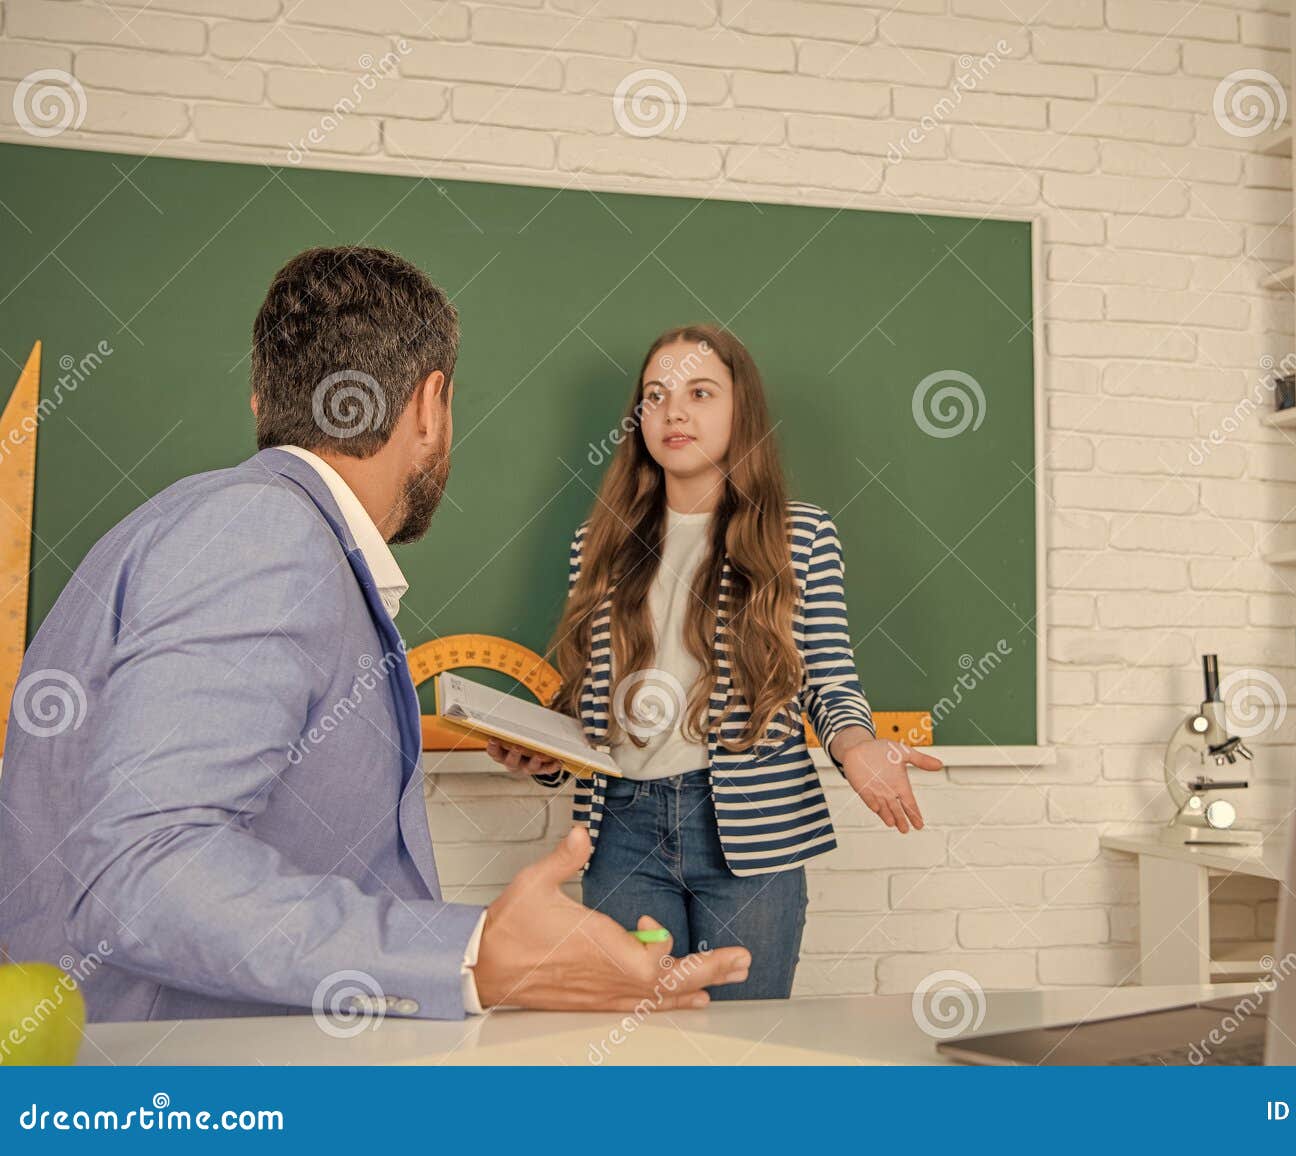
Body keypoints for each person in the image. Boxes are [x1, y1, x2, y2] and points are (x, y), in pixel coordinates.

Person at [0, 247, 748, 1022]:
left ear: (264, 400)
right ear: (429, 407)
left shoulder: (194, 520)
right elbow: (140, 872)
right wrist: (469, 956)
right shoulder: (263, 535)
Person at [486, 324, 942, 1000]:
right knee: (639, 1042)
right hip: (622, 829)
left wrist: (857, 745)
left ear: (741, 412)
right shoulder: (598, 542)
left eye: (700, 393)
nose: (674, 413)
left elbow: (829, 676)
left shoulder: (800, 534)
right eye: (656, 396)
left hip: (749, 829)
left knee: (743, 1047)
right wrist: (547, 753)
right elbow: (593, 696)